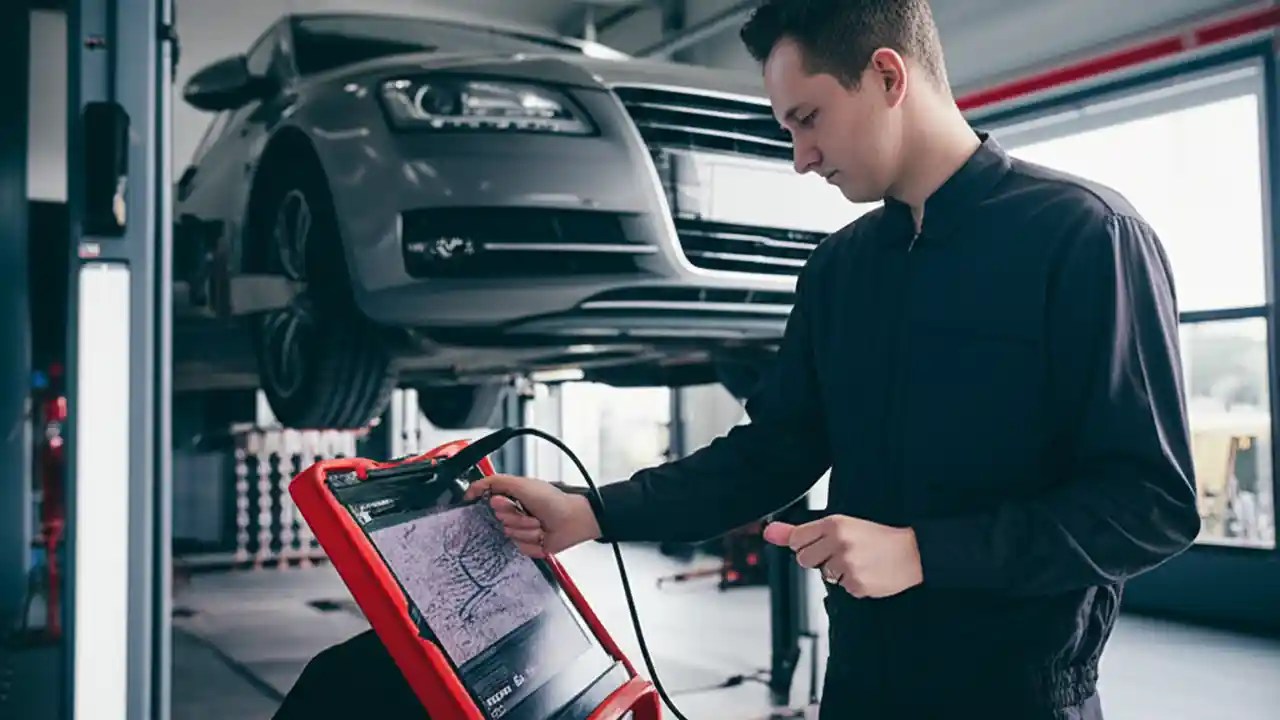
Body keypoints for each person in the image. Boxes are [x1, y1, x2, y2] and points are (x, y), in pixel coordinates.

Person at [278, 1, 1201, 718]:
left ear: (887, 75)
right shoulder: (842, 269)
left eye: (808, 119)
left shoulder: (1086, 238)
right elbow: (772, 453)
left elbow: (1150, 505)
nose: (800, 159)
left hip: (1019, 699)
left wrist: (926, 552)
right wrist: (593, 513)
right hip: (865, 687)